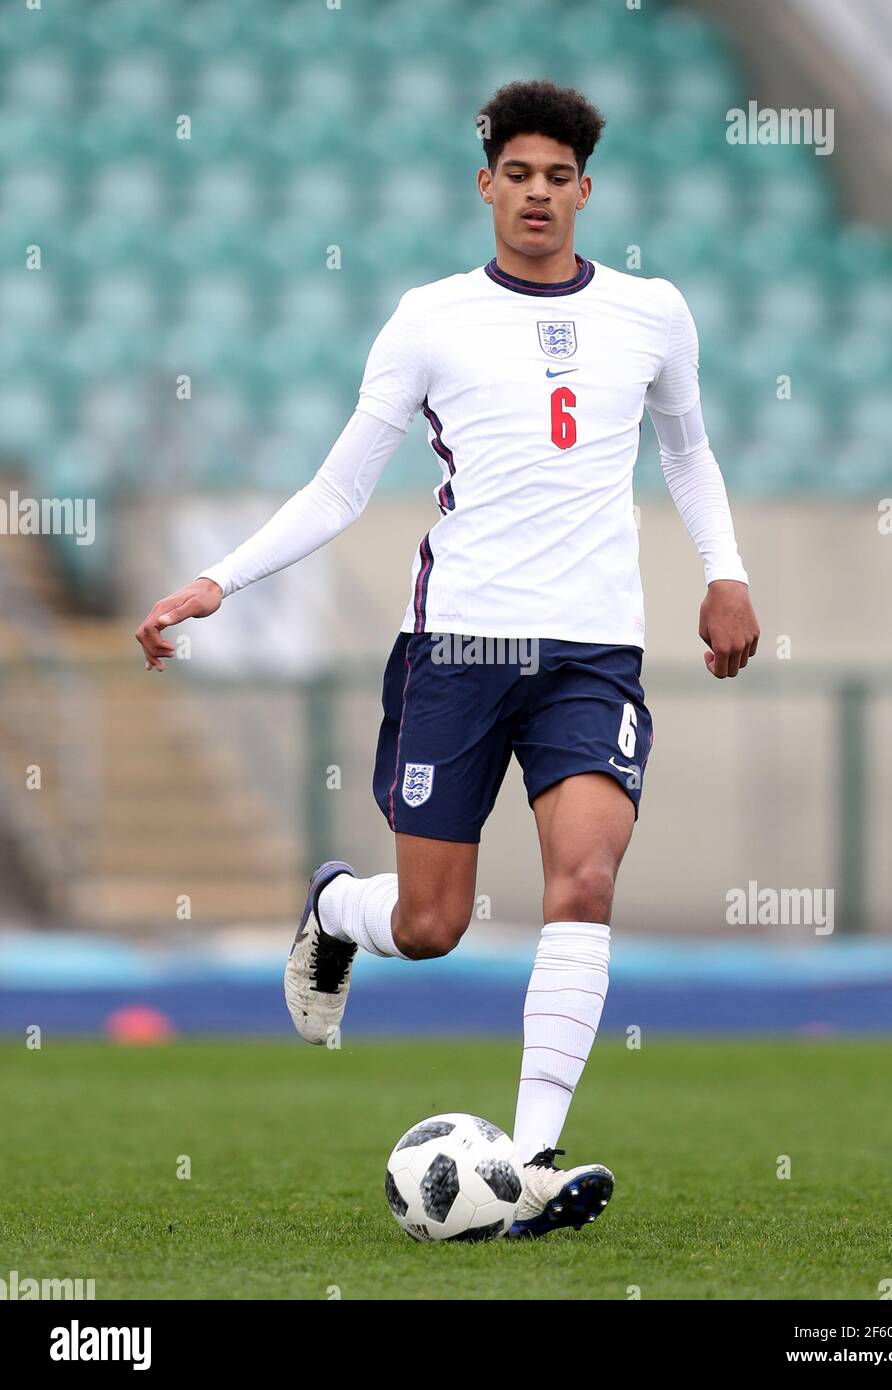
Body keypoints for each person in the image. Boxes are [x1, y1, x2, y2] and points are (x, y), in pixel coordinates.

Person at [135, 80, 759, 1239]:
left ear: (585, 190)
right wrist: (220, 578)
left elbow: (689, 449)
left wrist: (725, 570)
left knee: (584, 877)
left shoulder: (650, 311)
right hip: (459, 646)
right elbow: (340, 486)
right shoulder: (428, 317)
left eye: (557, 176)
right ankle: (334, 910)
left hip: (591, 653)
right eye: (515, 174)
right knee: (432, 925)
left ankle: (527, 1161)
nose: (536, 193)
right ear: (485, 185)